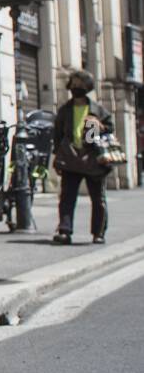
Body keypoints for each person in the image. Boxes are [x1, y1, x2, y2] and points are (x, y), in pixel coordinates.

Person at [52, 69, 113, 245]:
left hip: (93, 159)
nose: (77, 87)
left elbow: (110, 129)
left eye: (81, 84)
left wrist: (100, 126)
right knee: (67, 197)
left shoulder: (97, 110)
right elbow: (57, 135)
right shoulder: (65, 110)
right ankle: (64, 230)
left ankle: (98, 232)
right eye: (75, 84)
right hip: (71, 158)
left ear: (88, 87)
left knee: (98, 198)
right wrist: (59, 155)